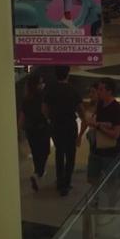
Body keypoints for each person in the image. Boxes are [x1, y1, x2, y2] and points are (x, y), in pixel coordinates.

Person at [43, 65, 82, 196]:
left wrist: (50, 117)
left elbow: (44, 108)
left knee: (59, 152)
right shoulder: (72, 90)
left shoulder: (50, 90)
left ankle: (60, 181)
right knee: (71, 154)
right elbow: (80, 108)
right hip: (70, 124)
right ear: (67, 74)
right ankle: (67, 181)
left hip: (56, 125)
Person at [84, 77, 120, 184]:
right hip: (96, 151)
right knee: (92, 179)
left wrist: (98, 126)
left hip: (110, 154)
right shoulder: (100, 104)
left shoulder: (116, 109)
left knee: (111, 184)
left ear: (109, 91)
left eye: (101, 89)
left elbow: (116, 134)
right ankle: (96, 200)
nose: (98, 92)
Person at [18, 74, 51, 192]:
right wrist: (48, 119)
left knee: (36, 153)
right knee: (45, 151)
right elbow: (44, 111)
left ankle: (37, 173)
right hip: (42, 128)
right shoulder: (42, 96)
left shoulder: (26, 99)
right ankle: (38, 173)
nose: (43, 84)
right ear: (36, 85)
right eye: (41, 82)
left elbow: (22, 117)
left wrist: (20, 128)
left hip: (30, 130)